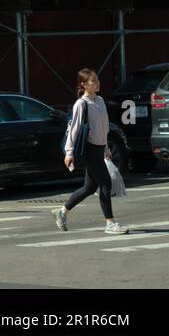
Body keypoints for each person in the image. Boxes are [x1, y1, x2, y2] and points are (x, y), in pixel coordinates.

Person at [54, 69, 126, 235]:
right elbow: (74, 129)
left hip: (99, 147)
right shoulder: (81, 104)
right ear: (84, 84)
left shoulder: (100, 101)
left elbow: (104, 126)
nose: (98, 83)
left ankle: (62, 212)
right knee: (105, 183)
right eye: (93, 81)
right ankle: (110, 223)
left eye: (97, 80)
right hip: (90, 150)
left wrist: (106, 147)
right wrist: (69, 152)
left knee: (89, 187)